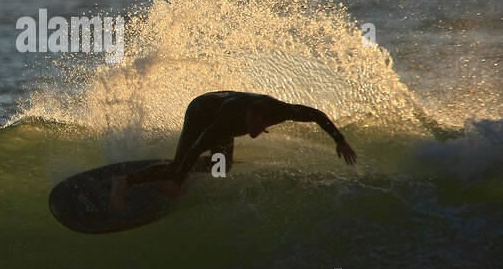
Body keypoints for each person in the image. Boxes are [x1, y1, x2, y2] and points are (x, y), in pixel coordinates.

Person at [112, 90, 357, 207]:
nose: (253, 130)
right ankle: (127, 180)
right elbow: (197, 148)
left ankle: (178, 174)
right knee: (183, 161)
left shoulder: (281, 112)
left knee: (222, 167)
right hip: (202, 111)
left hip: (221, 111)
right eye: (250, 124)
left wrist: (339, 139)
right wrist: (177, 179)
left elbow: (316, 114)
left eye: (258, 126)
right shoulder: (227, 122)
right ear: (247, 115)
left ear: (267, 119)